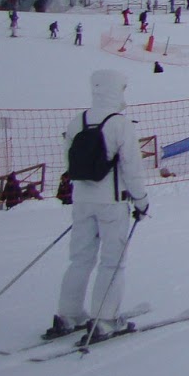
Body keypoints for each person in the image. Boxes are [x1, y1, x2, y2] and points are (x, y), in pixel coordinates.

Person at [48, 70, 149, 342]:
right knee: (112, 262)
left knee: (80, 258)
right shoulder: (120, 124)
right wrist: (141, 201)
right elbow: (132, 167)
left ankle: (68, 314)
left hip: (82, 201)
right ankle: (104, 319)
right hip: (112, 203)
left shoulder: (77, 122)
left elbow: (69, 164)